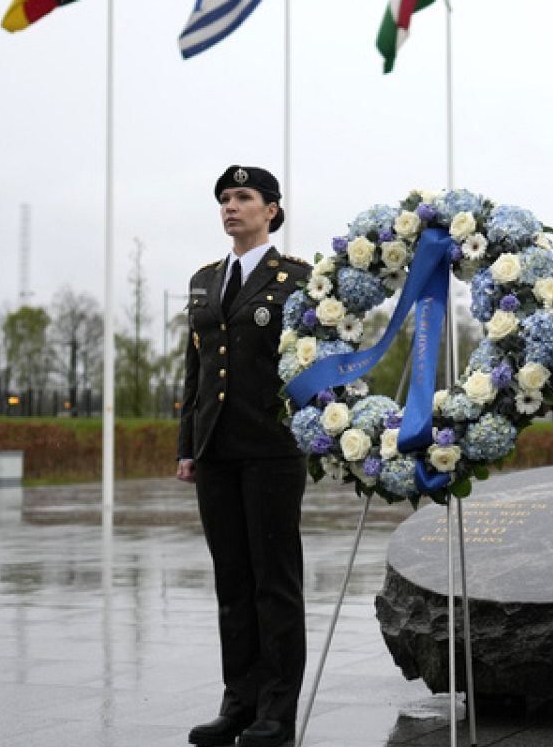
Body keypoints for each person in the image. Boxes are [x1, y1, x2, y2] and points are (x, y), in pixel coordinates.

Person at [176, 166, 312, 747]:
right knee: (232, 582)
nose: (232, 207)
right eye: (225, 199)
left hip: (272, 449)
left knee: (273, 582)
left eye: (244, 198)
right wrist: (187, 447)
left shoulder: (298, 278)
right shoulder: (205, 280)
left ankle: (277, 711)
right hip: (216, 449)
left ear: (271, 210)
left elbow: (316, 359)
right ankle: (239, 702)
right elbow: (196, 369)